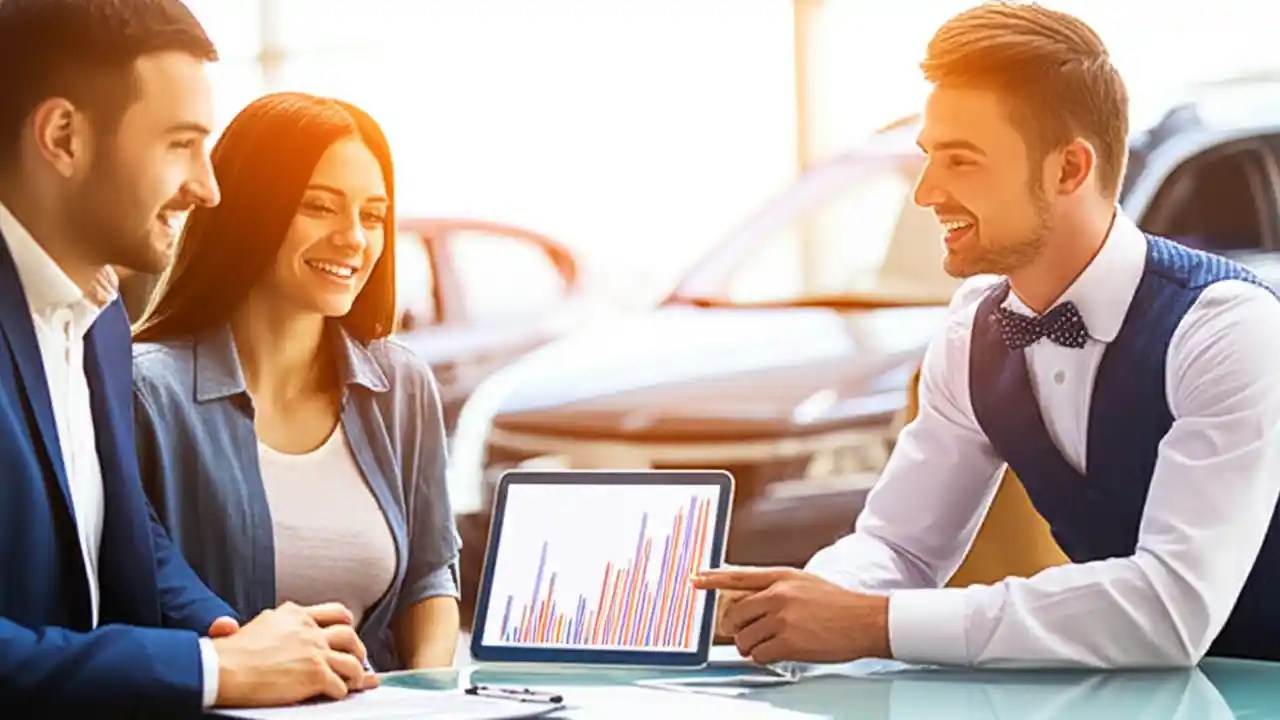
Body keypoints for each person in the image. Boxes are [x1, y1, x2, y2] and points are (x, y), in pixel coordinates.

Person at [695, 1, 1280, 669]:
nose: (925, 193)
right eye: (927, 157)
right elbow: (900, 548)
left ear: (1069, 170)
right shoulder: (972, 328)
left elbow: (1168, 609)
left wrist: (874, 624)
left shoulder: (1228, 328)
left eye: (961, 160)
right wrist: (792, 607)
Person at [0, 0, 375, 713]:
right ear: (63, 137)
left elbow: (124, 522)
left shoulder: (101, 315)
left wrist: (232, 633)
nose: (209, 188)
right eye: (181, 144)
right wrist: (208, 668)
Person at [131, 91, 463, 672]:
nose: (354, 238)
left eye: (373, 215)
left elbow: (429, 576)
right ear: (249, 210)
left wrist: (426, 702)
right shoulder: (147, 395)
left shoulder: (401, 386)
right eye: (319, 206)